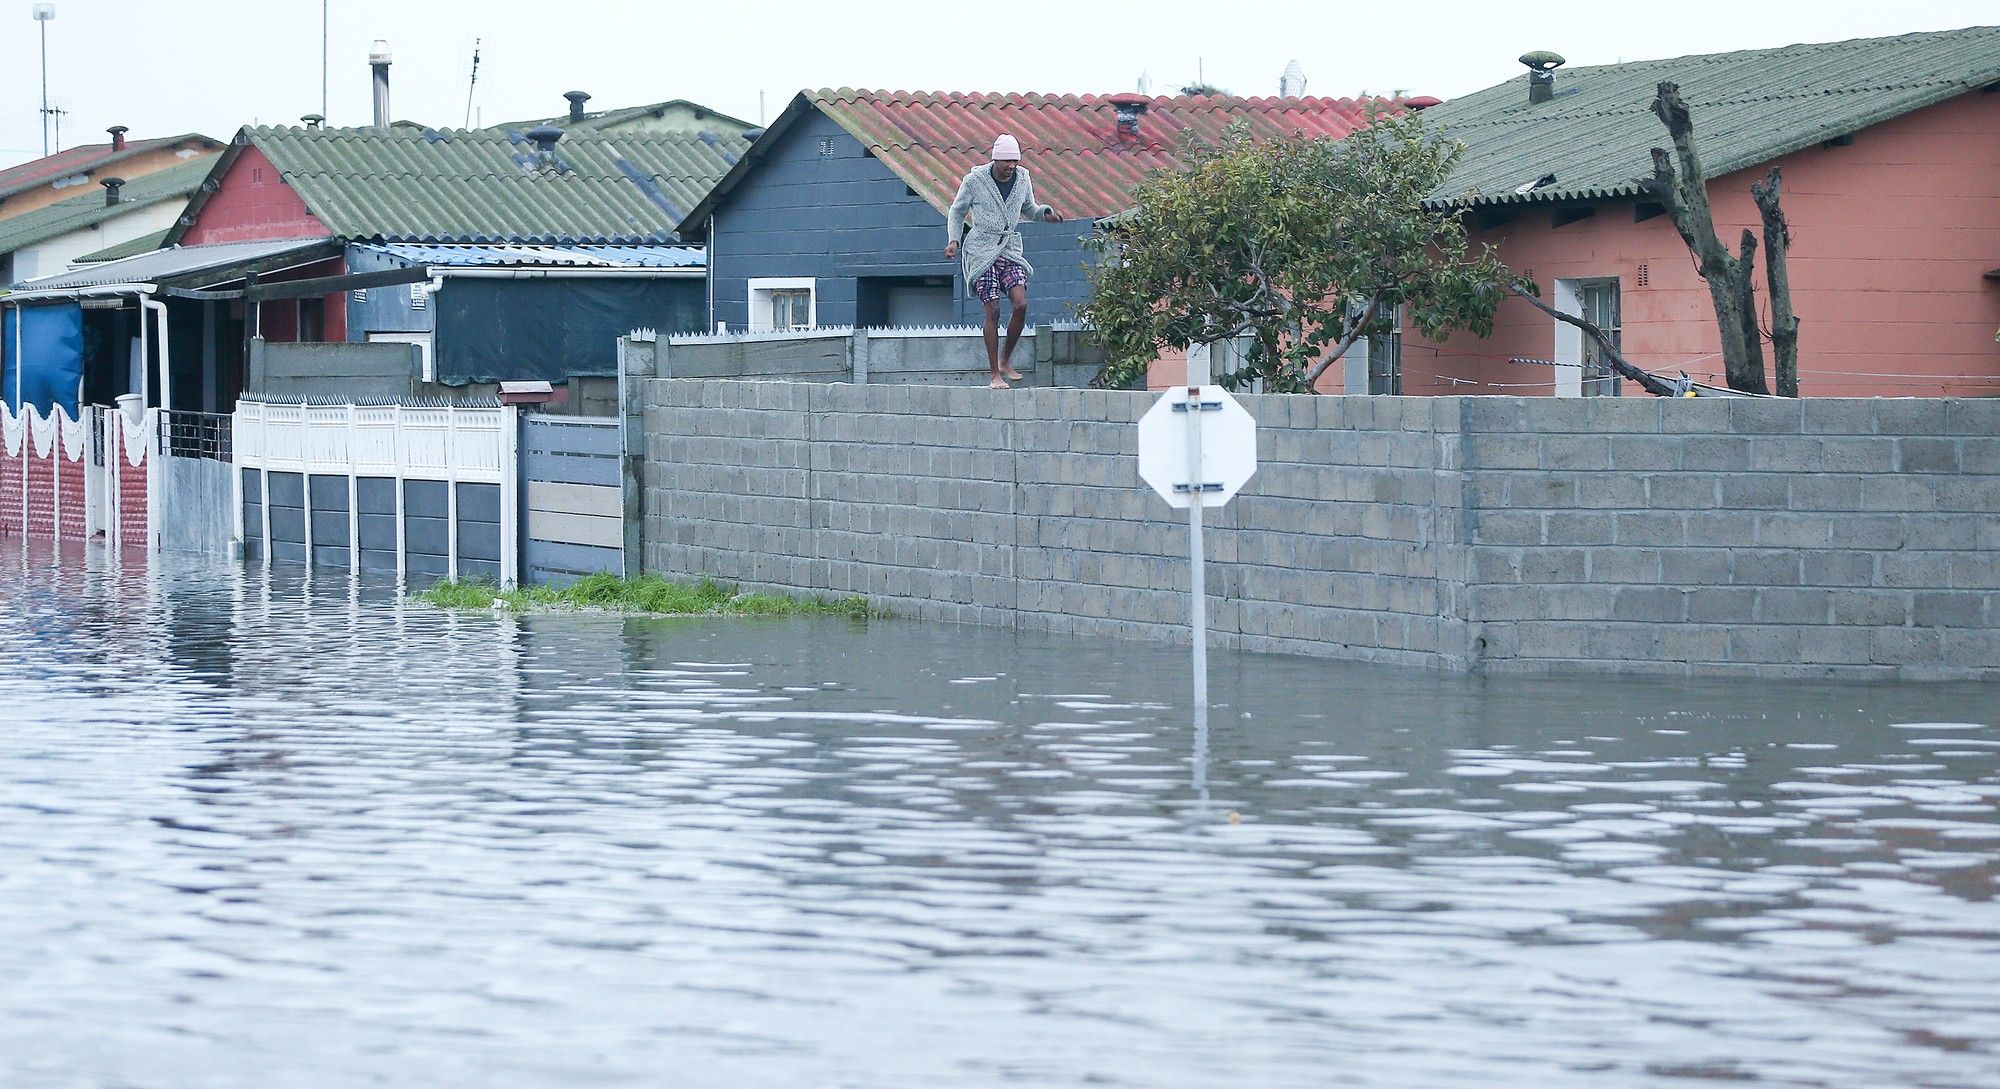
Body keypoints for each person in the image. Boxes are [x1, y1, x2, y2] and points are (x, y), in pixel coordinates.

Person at [944, 134, 1065, 389]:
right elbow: (957, 210)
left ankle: (1005, 360)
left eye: (1016, 161)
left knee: (1020, 303)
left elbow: (1029, 208)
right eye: (1007, 161)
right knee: (994, 310)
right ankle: (994, 375)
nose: (1012, 166)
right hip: (982, 249)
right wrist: (954, 240)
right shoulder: (975, 180)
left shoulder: (1023, 178)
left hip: (1009, 248)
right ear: (996, 159)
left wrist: (1046, 214)